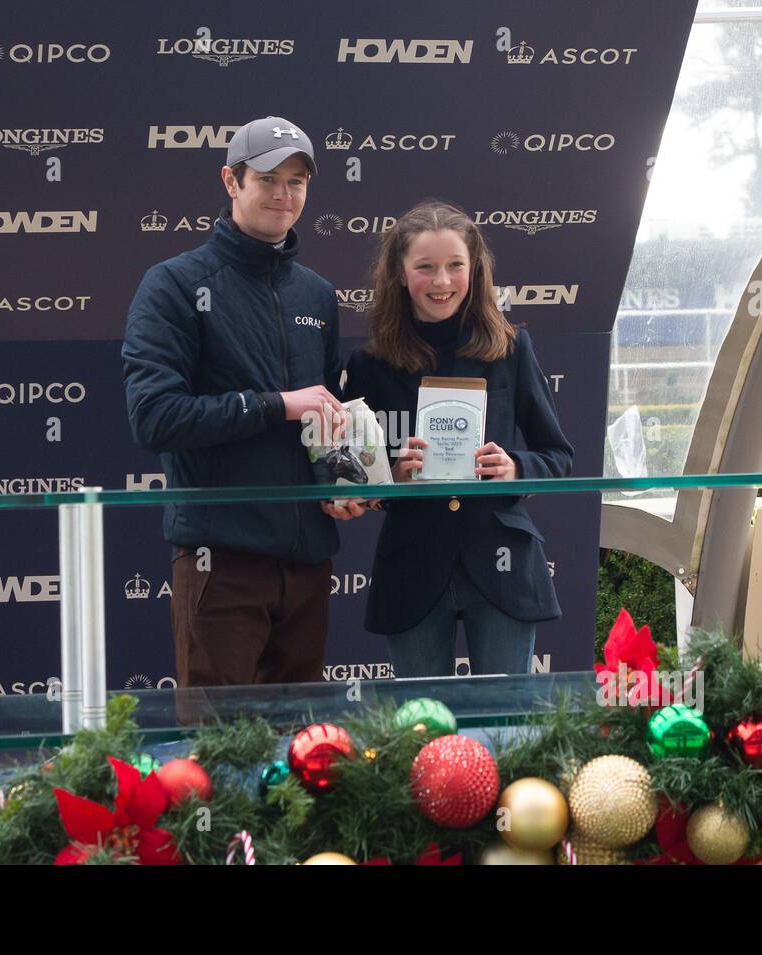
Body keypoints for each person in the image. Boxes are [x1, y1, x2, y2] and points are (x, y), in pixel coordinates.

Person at [122, 116, 365, 688]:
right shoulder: (173, 284)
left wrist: (344, 483)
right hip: (220, 562)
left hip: (309, 564)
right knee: (219, 757)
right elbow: (154, 417)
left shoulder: (318, 294)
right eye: (268, 179)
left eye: (298, 181)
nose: (284, 195)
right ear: (231, 181)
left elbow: (329, 419)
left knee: (303, 758)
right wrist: (277, 404)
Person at [342, 200, 574, 677]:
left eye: (454, 266)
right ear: (400, 275)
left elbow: (557, 455)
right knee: (420, 725)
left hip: (503, 567)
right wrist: (393, 478)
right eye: (425, 267)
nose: (442, 281)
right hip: (412, 567)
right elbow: (358, 473)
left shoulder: (511, 347)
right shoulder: (369, 365)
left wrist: (515, 469)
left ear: (475, 270)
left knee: (507, 724)